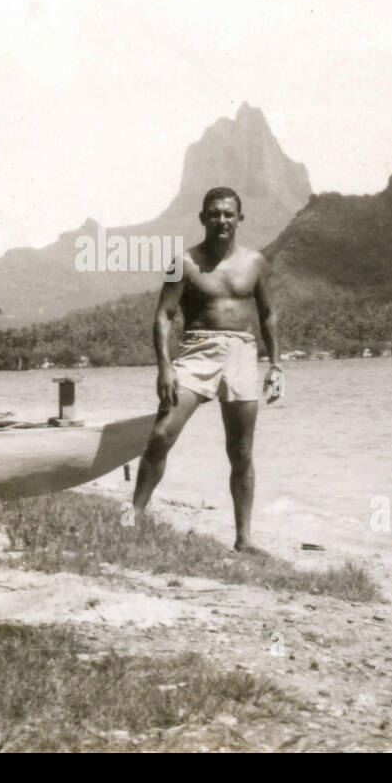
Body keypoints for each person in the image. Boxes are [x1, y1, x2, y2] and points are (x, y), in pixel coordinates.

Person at [131, 186, 282, 552]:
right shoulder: (183, 262)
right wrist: (165, 367)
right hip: (197, 350)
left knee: (241, 451)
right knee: (161, 435)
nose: (222, 220)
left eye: (229, 214)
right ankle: (130, 519)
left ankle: (244, 539)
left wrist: (276, 365)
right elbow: (164, 316)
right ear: (202, 218)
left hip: (243, 353)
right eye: (214, 213)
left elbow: (268, 315)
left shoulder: (255, 262)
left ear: (240, 218)